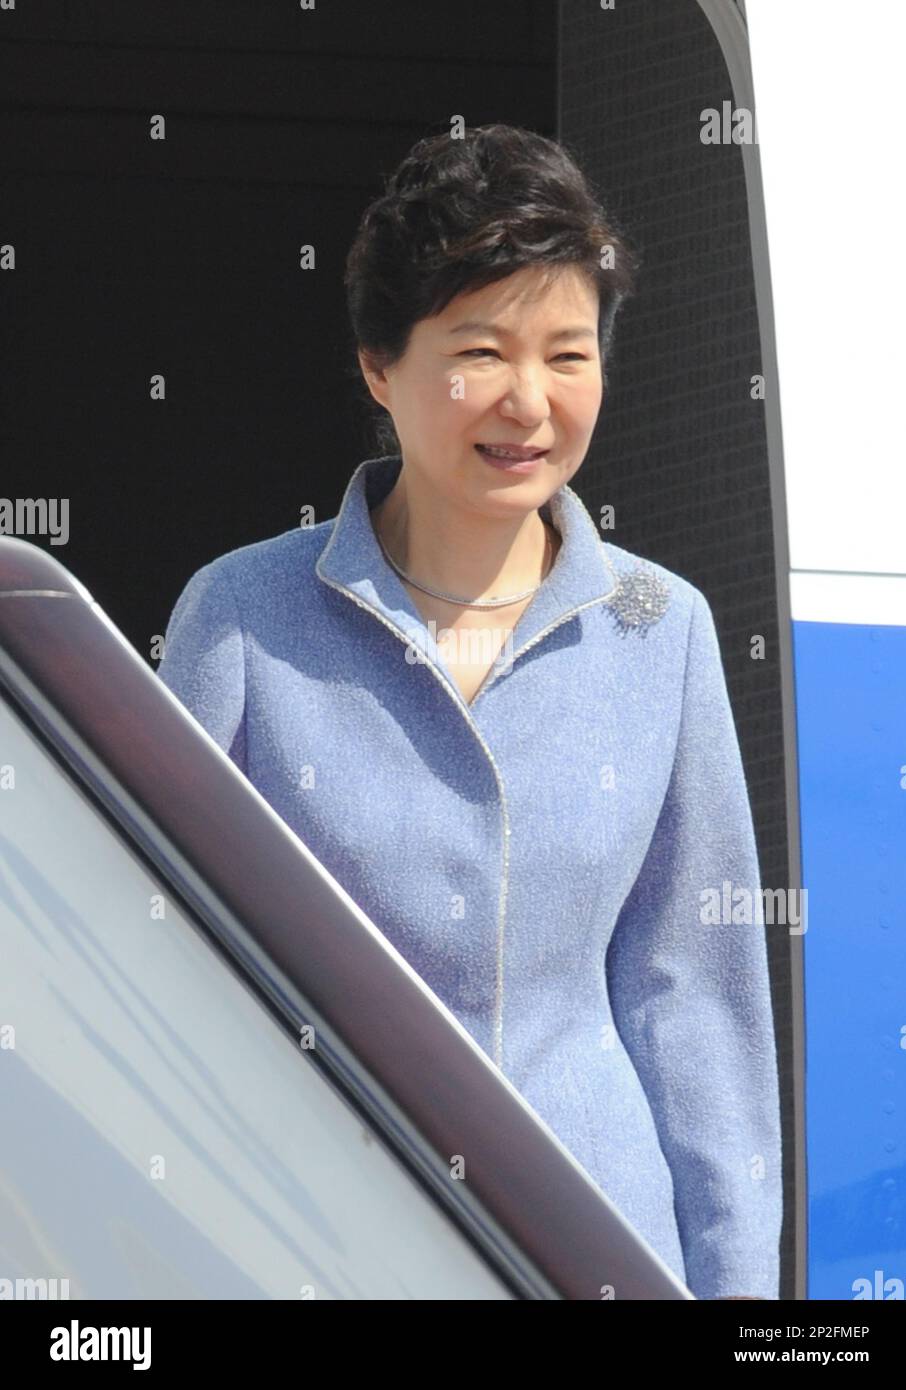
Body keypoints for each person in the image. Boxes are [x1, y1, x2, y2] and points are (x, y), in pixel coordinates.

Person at [156, 123, 783, 1300]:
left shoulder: (664, 628)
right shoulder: (241, 617)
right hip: (313, 1253)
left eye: (568, 352)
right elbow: (165, 972)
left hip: (593, 1253)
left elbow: (693, 1002)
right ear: (378, 366)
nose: (529, 402)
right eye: (481, 349)